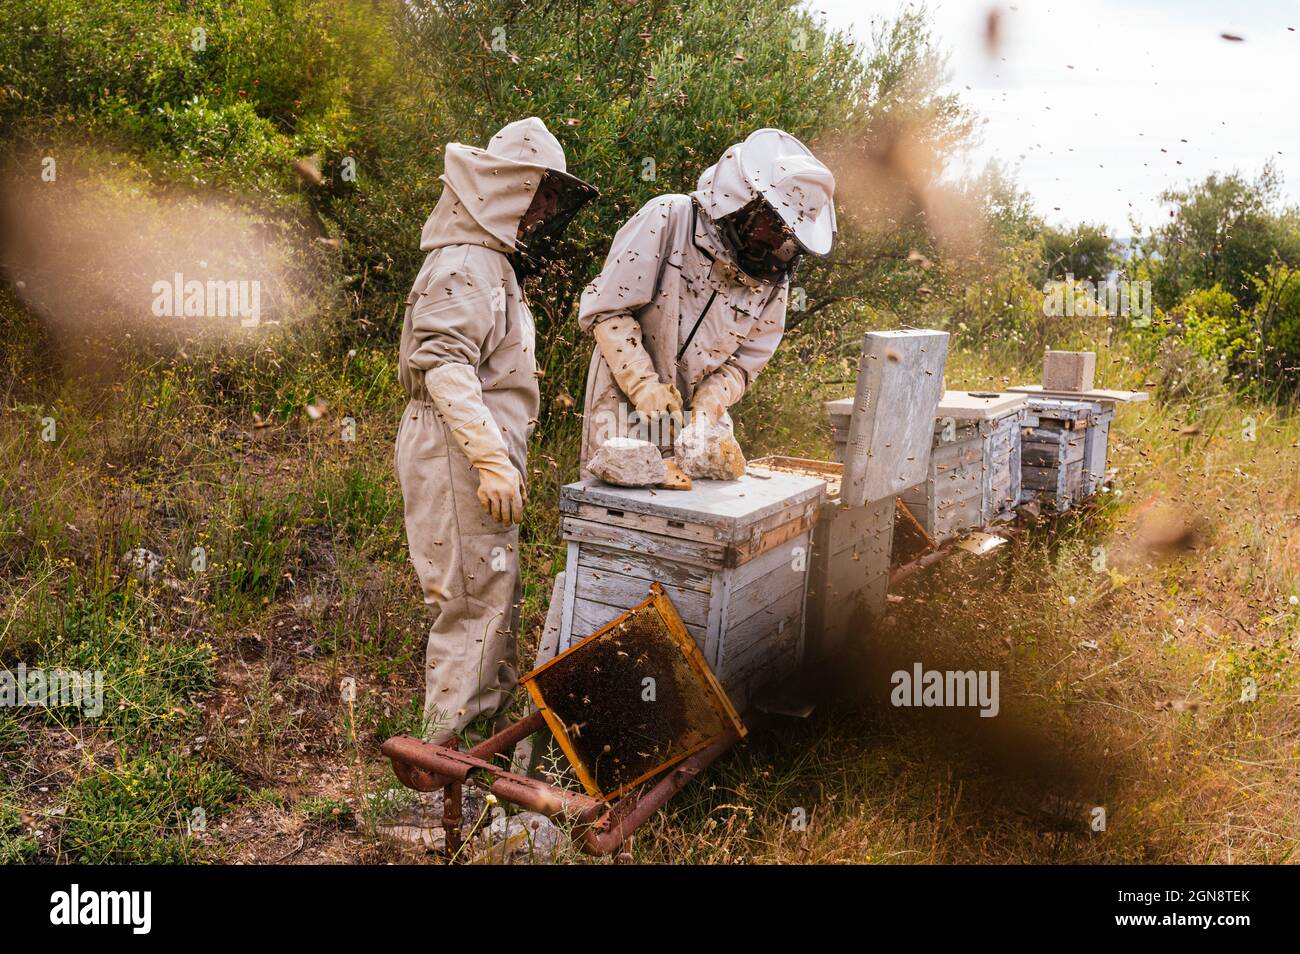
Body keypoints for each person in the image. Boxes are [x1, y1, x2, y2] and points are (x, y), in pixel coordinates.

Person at [396, 117, 596, 742]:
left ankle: (476, 753)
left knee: (490, 596)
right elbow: (444, 366)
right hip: (457, 450)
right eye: (544, 191)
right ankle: (441, 773)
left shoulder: (488, 261)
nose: (550, 209)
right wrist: (489, 460)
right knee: (471, 603)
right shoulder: (467, 263)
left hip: (474, 449)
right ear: (509, 185)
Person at [576, 128, 837, 470]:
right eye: (774, 225)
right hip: (623, 402)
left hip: (702, 425)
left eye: (787, 233)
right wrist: (643, 385)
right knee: (617, 507)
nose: (776, 241)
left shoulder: (773, 273)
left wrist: (714, 397)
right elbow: (607, 310)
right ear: (746, 202)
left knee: (699, 513)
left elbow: (747, 361)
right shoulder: (670, 218)